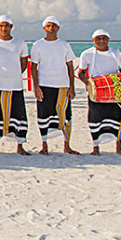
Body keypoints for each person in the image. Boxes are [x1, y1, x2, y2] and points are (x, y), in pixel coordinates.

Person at [77, 29, 121, 156]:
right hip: (96, 93)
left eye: (104, 38)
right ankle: (96, 148)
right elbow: (80, 73)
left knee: (118, 118)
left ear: (108, 40)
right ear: (93, 40)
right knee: (95, 119)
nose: (101, 41)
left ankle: (118, 147)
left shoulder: (115, 53)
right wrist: (89, 83)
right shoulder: (87, 54)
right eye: (98, 38)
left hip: (114, 91)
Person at [29, 16, 79, 156]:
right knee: (43, 115)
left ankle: (67, 145)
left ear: (58, 28)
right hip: (44, 85)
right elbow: (33, 67)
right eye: (49, 26)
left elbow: (70, 66)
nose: (51, 28)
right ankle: (44, 145)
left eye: (54, 26)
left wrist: (72, 87)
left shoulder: (64, 44)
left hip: (62, 86)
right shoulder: (38, 45)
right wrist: (36, 87)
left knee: (65, 115)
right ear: (44, 28)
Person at [0, 15, 30, 155]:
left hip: (16, 85)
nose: (4, 28)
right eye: (1, 25)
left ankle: (20, 145)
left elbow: (24, 64)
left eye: (7, 25)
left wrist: (12, 74)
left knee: (19, 115)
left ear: (11, 27)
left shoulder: (20, 43)